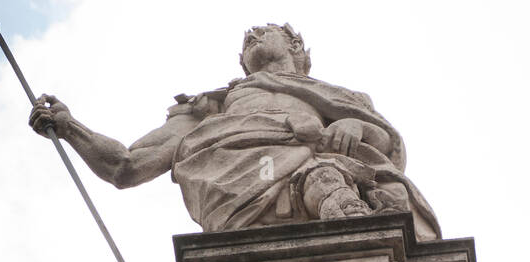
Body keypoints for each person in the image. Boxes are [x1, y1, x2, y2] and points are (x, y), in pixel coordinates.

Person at [28, 23, 440, 240]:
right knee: (322, 179)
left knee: (329, 180)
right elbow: (126, 167)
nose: (252, 37)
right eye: (246, 40)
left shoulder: (340, 96)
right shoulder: (211, 108)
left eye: (263, 31)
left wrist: (353, 125)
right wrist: (70, 128)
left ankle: (365, 257)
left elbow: (385, 145)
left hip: (325, 168)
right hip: (237, 190)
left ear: (297, 48)